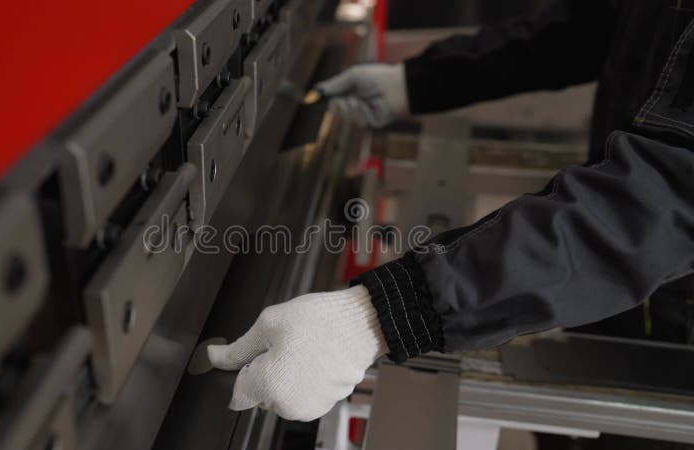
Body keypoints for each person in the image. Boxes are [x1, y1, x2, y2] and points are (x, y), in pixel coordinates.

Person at [208, 0, 694, 421]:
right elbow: (597, 26)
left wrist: (381, 315)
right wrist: (419, 81)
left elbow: (664, 203)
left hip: (671, 325)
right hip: (607, 286)